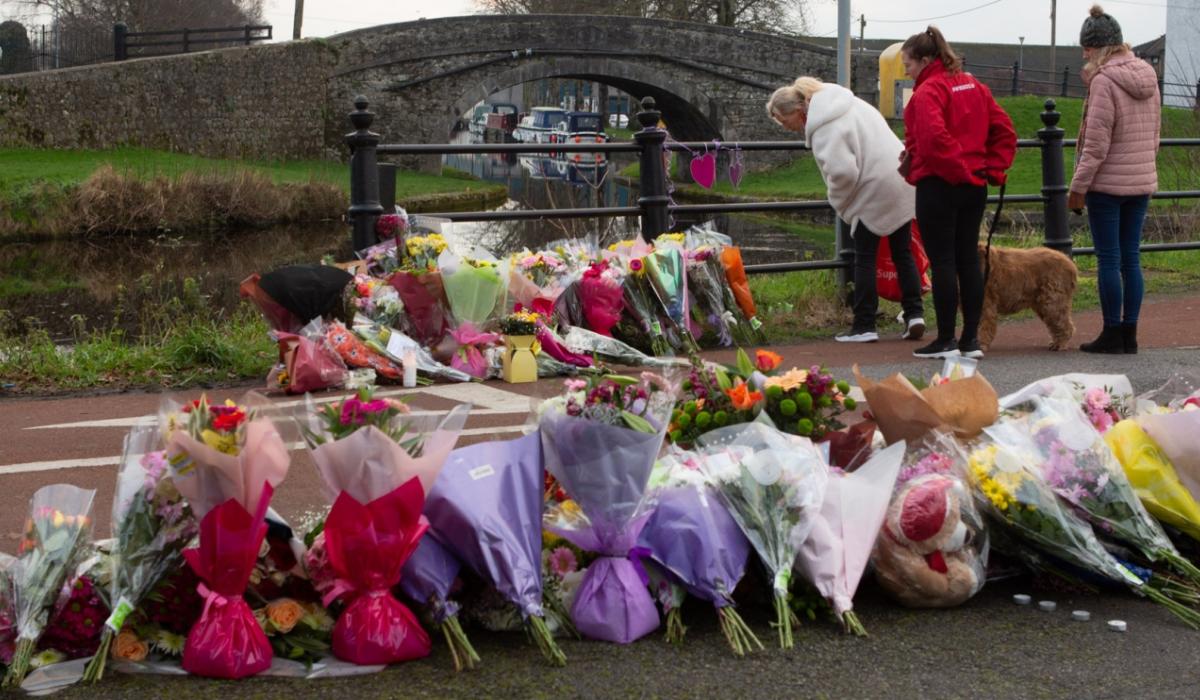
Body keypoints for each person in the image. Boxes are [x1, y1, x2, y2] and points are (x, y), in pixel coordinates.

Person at [767, 77, 926, 343]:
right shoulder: (849, 103)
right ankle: (915, 314)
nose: (788, 129)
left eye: (785, 122)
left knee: (864, 256)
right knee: (902, 252)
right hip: (900, 181)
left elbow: (842, 172)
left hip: (873, 189)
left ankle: (864, 324)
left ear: (796, 112)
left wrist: (839, 201)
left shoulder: (823, 126)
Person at [900, 26, 1017, 359]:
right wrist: (990, 169)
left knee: (943, 262)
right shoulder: (974, 85)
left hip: (940, 184)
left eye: (908, 64)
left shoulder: (928, 92)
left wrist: (956, 170)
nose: (906, 72)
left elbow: (935, 139)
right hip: (974, 185)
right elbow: (1003, 129)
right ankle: (971, 340)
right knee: (967, 259)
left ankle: (946, 339)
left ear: (924, 60)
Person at [1069, 5, 1160, 355]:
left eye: (1087, 48)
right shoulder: (1148, 76)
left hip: (1107, 185)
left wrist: (1078, 187)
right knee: (1131, 258)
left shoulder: (1104, 81)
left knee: (1108, 259)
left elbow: (1095, 144)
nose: (1084, 54)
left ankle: (1111, 332)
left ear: (1100, 48)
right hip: (1140, 181)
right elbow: (1154, 133)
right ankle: (1130, 334)